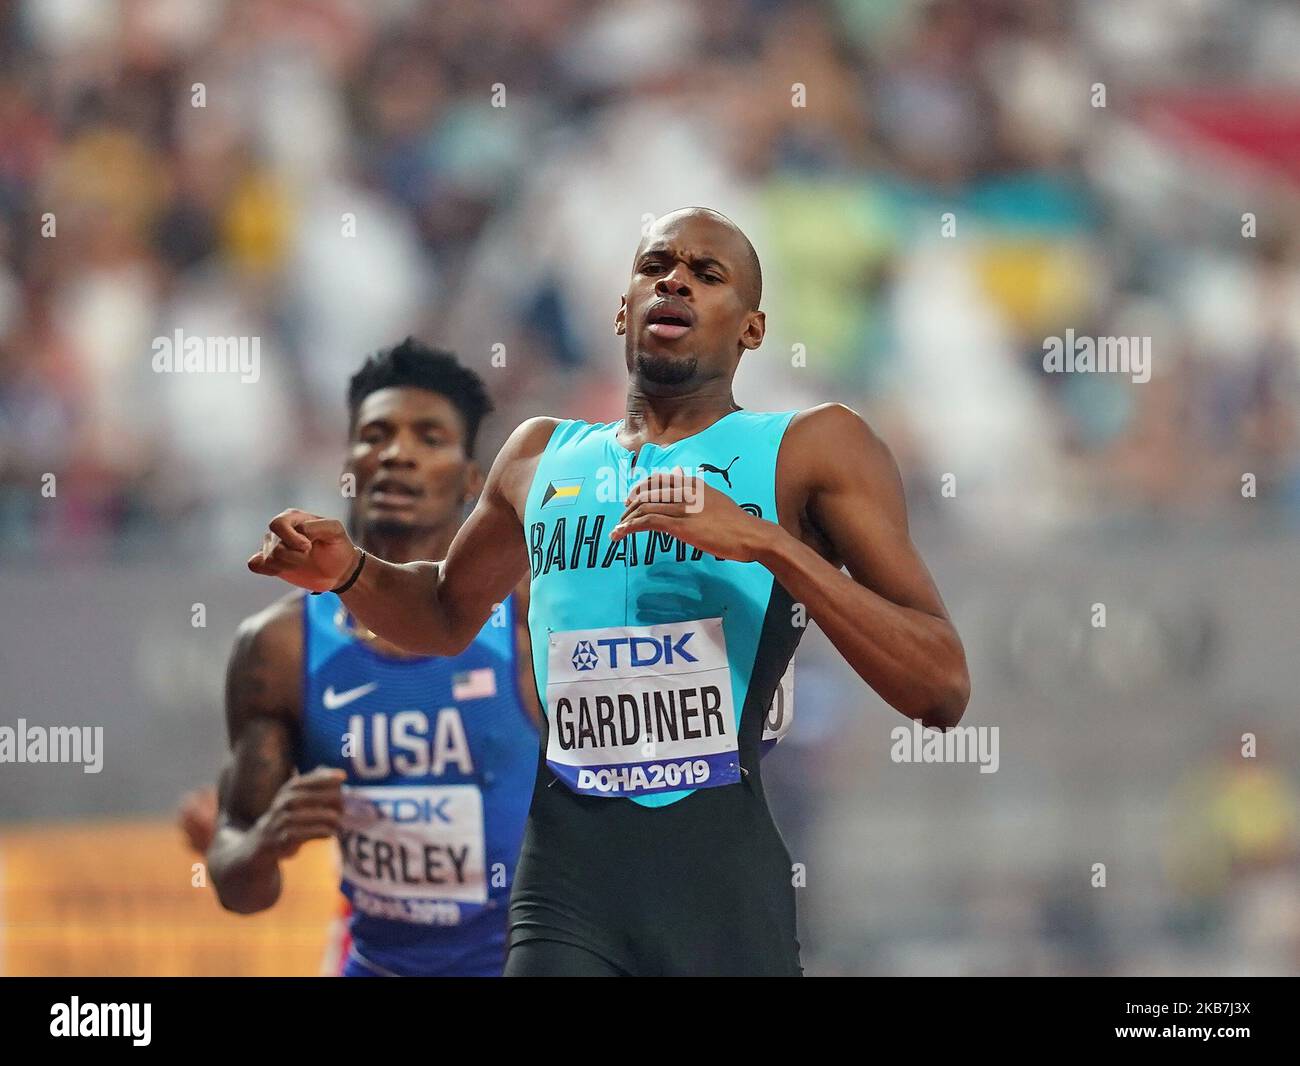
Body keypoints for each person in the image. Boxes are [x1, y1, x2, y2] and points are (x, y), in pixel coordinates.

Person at [248, 208, 970, 976]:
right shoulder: (536, 457)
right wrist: (350, 573)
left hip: (721, 886)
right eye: (657, 266)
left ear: (752, 329)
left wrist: (766, 543)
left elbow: (941, 685)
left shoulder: (812, 449)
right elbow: (444, 615)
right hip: (567, 883)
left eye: (707, 273)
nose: (676, 280)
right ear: (623, 309)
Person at [209, 339, 538, 976]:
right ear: (349, 463)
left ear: (473, 477)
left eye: (430, 437)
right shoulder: (279, 648)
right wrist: (265, 841)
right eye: (375, 435)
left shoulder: (529, 616)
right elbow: (236, 883)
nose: (397, 454)